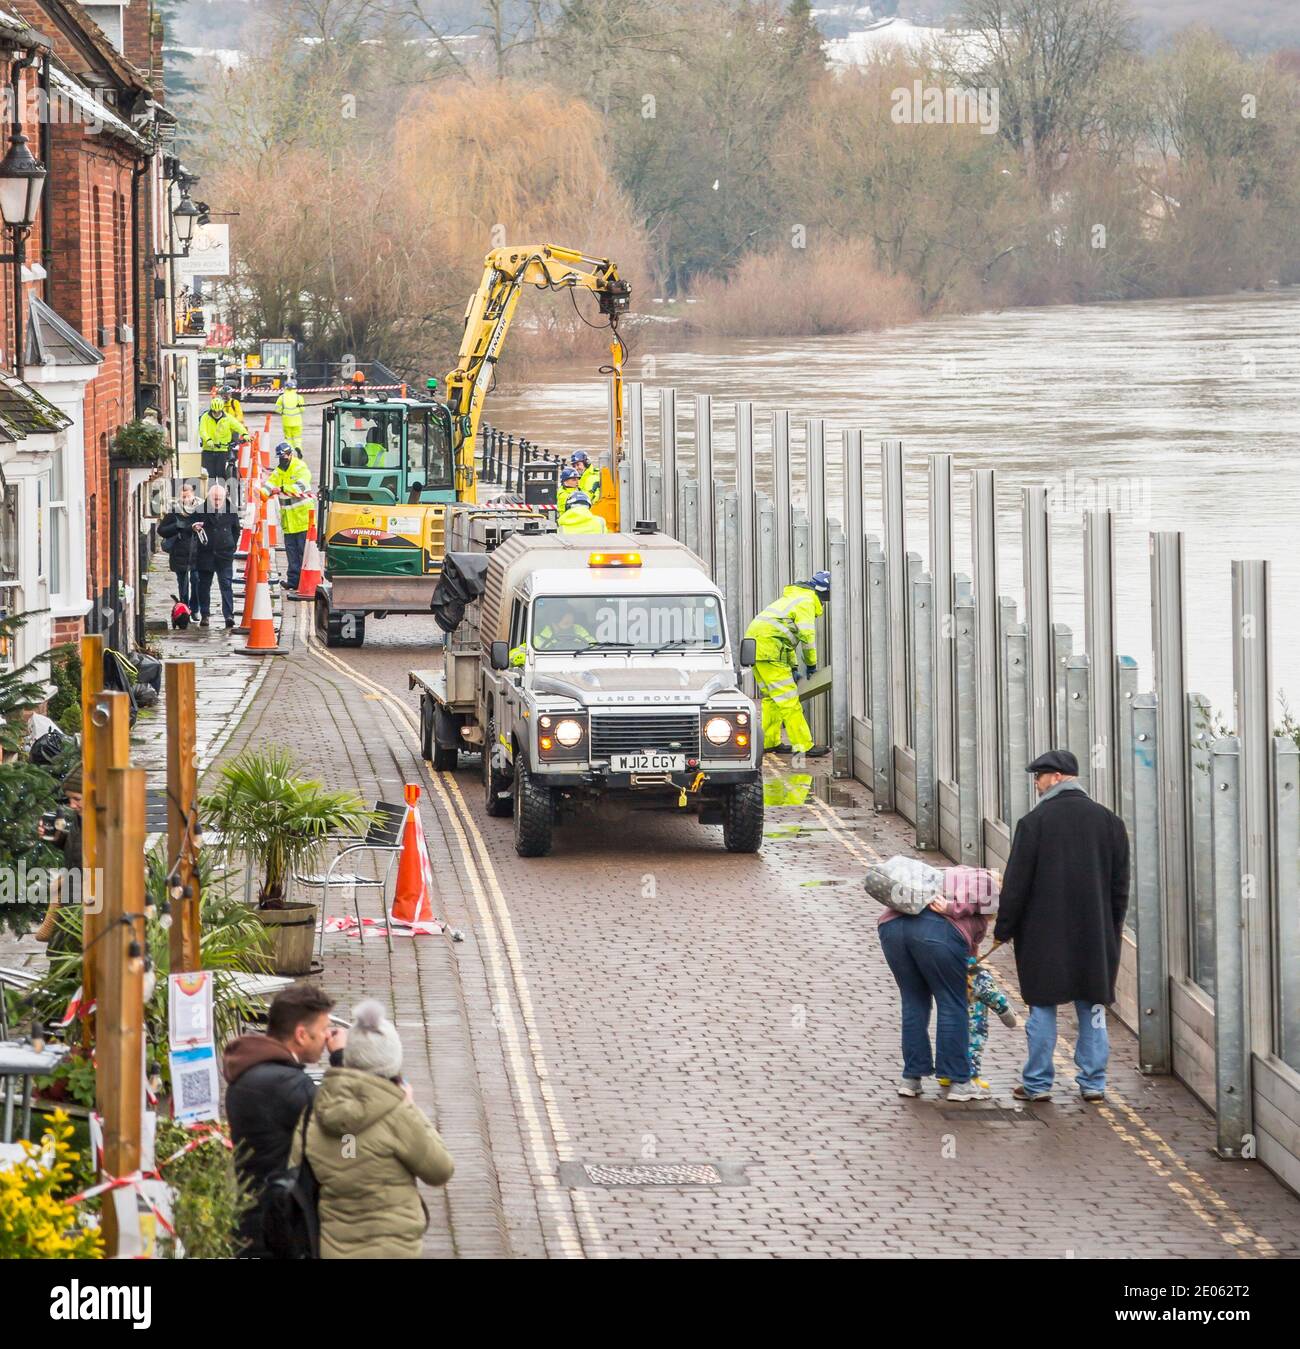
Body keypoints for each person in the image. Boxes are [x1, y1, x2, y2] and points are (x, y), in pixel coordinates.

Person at [993, 749, 1130, 1103]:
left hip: (1044, 936)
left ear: (1056, 777)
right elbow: (1120, 887)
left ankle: (1038, 1084)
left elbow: (1016, 883)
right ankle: (1094, 1083)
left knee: (1042, 1009)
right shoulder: (1110, 822)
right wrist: (1110, 930)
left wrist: (1003, 928)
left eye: (1038, 777)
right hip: (1095, 935)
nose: (1036, 784)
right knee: (1093, 1009)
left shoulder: (1034, 823)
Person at [290, 999, 453, 1259]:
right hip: (394, 1248)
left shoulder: (315, 1111)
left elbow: (344, 1150)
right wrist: (410, 1108)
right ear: (392, 1064)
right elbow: (440, 1170)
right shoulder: (398, 1115)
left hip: (334, 1246)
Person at [223, 982, 346, 1258]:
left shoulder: (249, 1070)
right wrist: (341, 1059)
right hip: (282, 1222)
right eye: (323, 1030)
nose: (327, 1037)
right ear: (301, 1034)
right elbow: (346, 1133)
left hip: (252, 1215)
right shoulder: (288, 1085)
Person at [878, 871, 990, 1101]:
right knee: (951, 1002)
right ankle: (959, 1082)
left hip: (892, 927)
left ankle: (911, 1079)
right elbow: (970, 951)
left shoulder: (938, 874)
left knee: (913, 1001)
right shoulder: (988, 882)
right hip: (938, 933)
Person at [744, 571, 830, 758]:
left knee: (772, 699)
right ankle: (804, 745)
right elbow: (806, 637)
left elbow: (787, 638)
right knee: (790, 701)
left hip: (757, 649)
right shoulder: (806, 602)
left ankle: (769, 742)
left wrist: (792, 667)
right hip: (769, 650)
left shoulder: (795, 597)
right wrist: (811, 665)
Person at [33, 764, 83, 945]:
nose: (72, 805)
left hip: (86, 903)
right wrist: (58, 838)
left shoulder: (103, 823)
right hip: (73, 899)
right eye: (70, 799)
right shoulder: (81, 818)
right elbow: (78, 850)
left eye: (77, 799)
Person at [193, 482, 242, 629]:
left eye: (219, 498)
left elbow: (236, 530)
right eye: (214, 498)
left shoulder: (231, 510)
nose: (216, 501)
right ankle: (205, 614)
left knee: (226, 585)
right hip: (205, 554)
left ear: (224, 497)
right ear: (208, 497)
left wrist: (231, 546)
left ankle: (229, 615)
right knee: (204, 586)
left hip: (224, 555)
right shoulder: (200, 510)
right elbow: (193, 528)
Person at [267, 441, 313, 591]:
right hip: (289, 521)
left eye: (285, 456)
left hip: (302, 519)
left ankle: (307, 582)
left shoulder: (300, 467)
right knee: (291, 553)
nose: (282, 459)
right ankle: (293, 581)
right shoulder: (279, 471)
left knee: (303, 553)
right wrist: (262, 492)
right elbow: (269, 484)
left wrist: (281, 488)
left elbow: (302, 486)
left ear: (290, 454)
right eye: (280, 457)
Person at [157, 482, 203, 613]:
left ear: (193, 495)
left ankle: (195, 609)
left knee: (196, 581)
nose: (186, 499)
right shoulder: (174, 511)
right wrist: (176, 527)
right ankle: (184, 609)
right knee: (183, 584)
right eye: (183, 497)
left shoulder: (201, 509)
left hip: (197, 552)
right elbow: (161, 530)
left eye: (188, 496)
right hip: (179, 552)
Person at [509, 606, 594, 665]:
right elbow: (514, 655)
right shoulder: (539, 639)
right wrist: (524, 658)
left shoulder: (579, 631)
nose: (569, 623)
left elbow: (594, 646)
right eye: (565, 623)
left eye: (571, 622)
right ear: (553, 622)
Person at [198, 394, 247, 484]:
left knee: (221, 474)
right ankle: (211, 493)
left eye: (218, 412)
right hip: (208, 449)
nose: (216, 414)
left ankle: (222, 492)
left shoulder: (227, 418)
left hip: (222, 449)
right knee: (211, 475)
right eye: (214, 412)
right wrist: (208, 440)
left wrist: (245, 434)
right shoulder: (205, 417)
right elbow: (202, 430)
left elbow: (237, 426)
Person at [275, 377, 305, 451]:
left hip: (286, 421)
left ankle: (289, 450)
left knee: (288, 438)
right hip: (297, 421)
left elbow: (277, 409)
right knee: (297, 437)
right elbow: (302, 409)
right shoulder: (299, 397)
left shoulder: (282, 397)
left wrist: (282, 412)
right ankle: (298, 447)